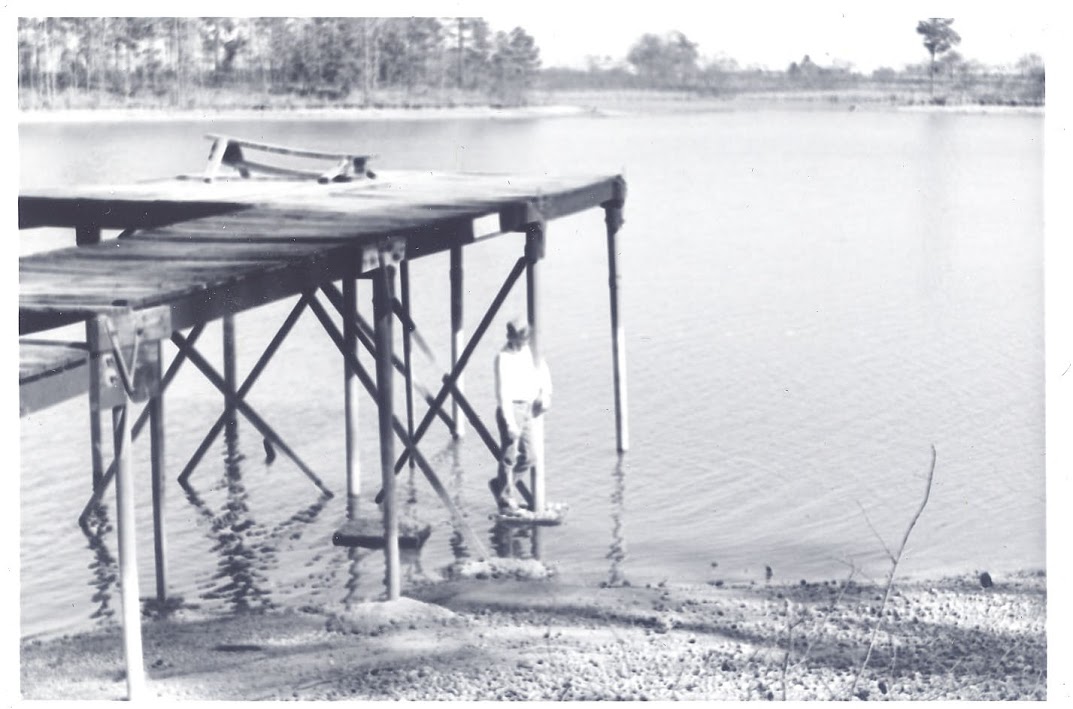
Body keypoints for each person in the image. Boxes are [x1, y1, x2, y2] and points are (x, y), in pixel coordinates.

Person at [490, 318, 552, 513]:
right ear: (511, 338)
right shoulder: (503, 357)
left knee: (530, 457)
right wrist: (509, 423)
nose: (523, 343)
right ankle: (506, 499)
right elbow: (503, 393)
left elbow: (543, 373)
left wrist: (545, 395)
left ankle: (500, 488)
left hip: (528, 408)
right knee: (509, 457)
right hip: (511, 409)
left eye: (525, 339)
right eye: (520, 339)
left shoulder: (529, 351)